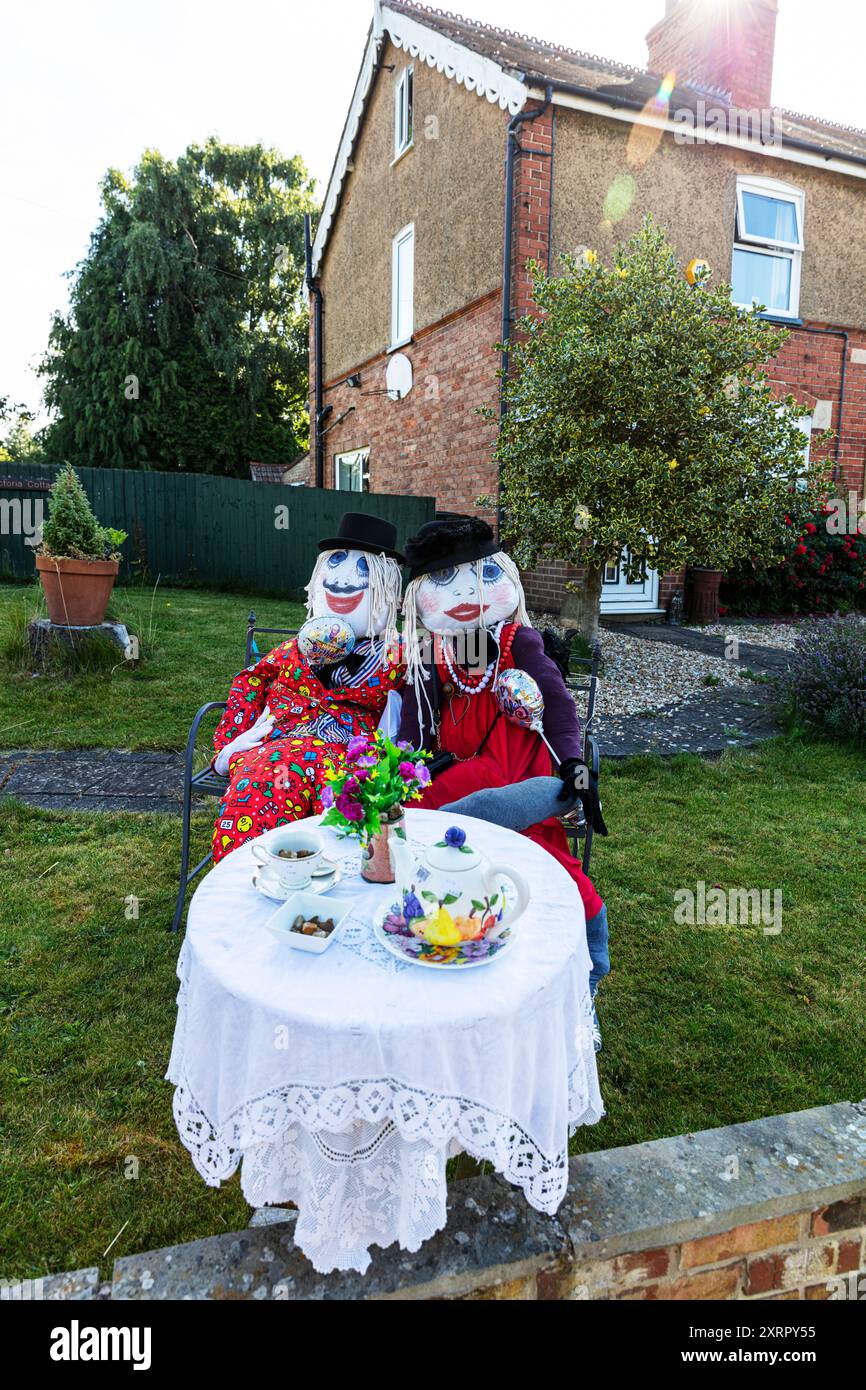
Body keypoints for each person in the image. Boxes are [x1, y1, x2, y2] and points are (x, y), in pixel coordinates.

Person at [397, 516, 610, 1037]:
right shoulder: (433, 653)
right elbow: (414, 723)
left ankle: (583, 982)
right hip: (458, 774)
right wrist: (402, 760)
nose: (468, 592)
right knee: (414, 830)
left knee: (533, 856)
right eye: (446, 581)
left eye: (484, 573)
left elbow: (556, 704)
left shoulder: (520, 642)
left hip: (520, 773)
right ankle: (445, 944)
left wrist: (572, 760)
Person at [210, 512, 404, 863]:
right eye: (336, 568)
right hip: (281, 747)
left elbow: (433, 685)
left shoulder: (397, 654)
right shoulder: (293, 649)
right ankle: (250, 884)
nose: (343, 583)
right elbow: (250, 682)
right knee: (260, 793)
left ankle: (332, 892)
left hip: (353, 753)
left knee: (351, 816)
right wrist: (231, 744)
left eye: (362, 572)